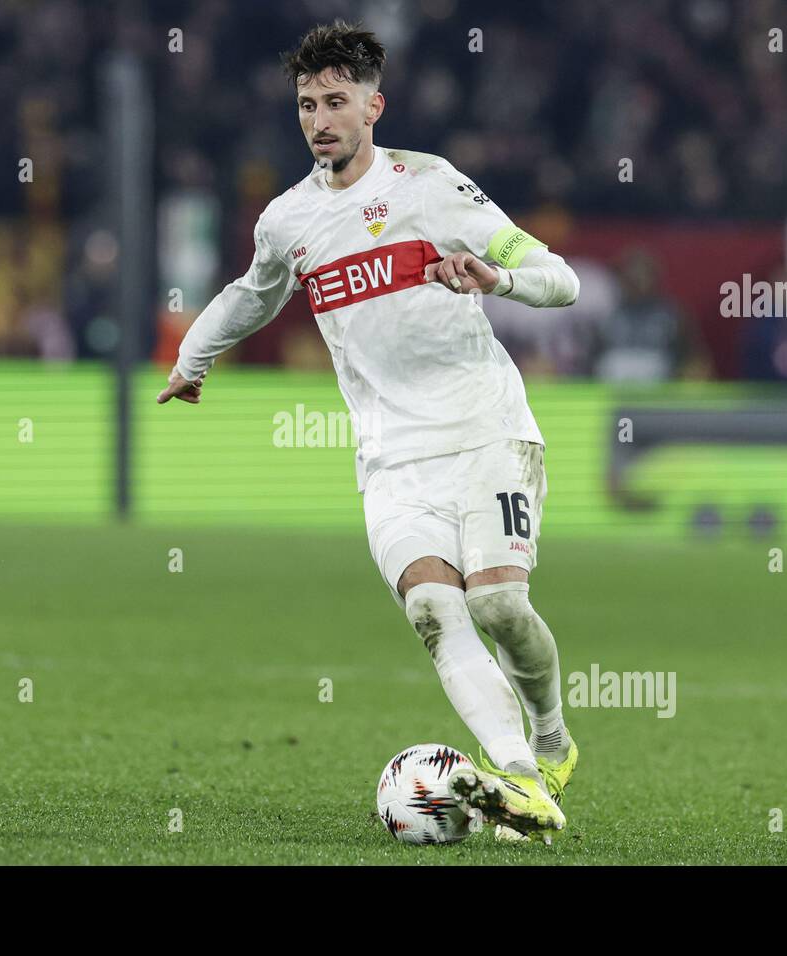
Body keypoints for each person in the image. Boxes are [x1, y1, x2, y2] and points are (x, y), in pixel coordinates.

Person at [156, 20, 581, 842]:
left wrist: (495, 277)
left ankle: (553, 737)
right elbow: (254, 293)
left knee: (497, 603)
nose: (320, 119)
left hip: (487, 431)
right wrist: (193, 358)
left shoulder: (432, 187)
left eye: (337, 101)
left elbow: (558, 279)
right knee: (432, 606)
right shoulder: (289, 221)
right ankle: (519, 779)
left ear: (373, 107)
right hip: (392, 459)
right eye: (307, 104)